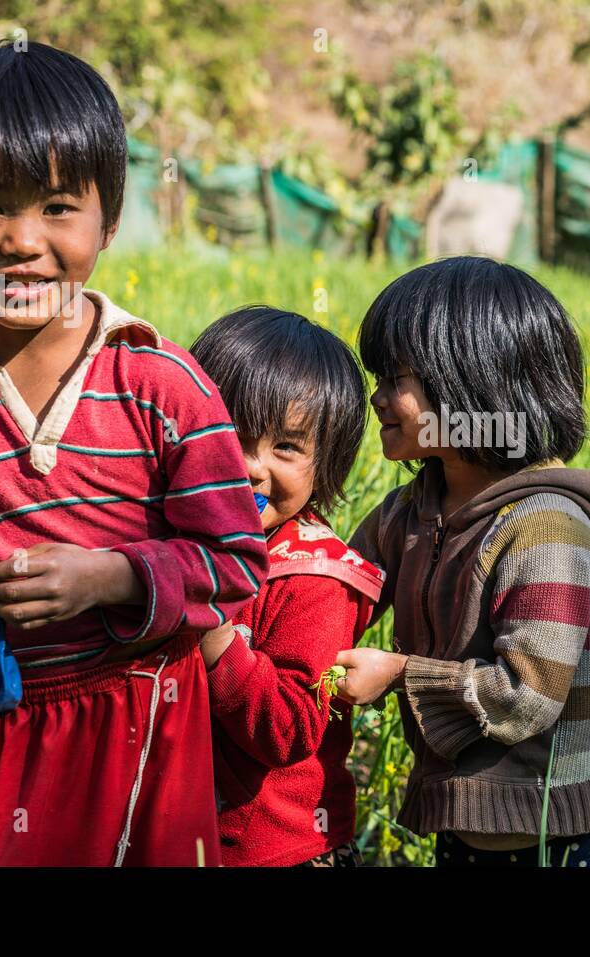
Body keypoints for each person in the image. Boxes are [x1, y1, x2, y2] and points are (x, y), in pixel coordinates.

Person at [0, 40, 266, 866]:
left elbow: (235, 560)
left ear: (111, 216)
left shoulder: (164, 386)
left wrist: (111, 576)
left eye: (58, 207)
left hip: (144, 728)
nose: (23, 241)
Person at [334, 256, 590, 867]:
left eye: (396, 380)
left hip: (553, 829)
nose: (377, 397)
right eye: (376, 377)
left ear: (475, 386)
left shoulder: (549, 530)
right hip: (465, 817)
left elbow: (526, 695)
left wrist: (395, 675)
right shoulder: (407, 512)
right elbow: (341, 588)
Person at [189, 307, 383, 867]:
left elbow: (292, 727)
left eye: (287, 449)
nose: (251, 467)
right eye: (232, 436)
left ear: (325, 468)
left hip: (275, 851)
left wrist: (217, 641)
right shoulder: (178, 541)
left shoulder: (314, 578)